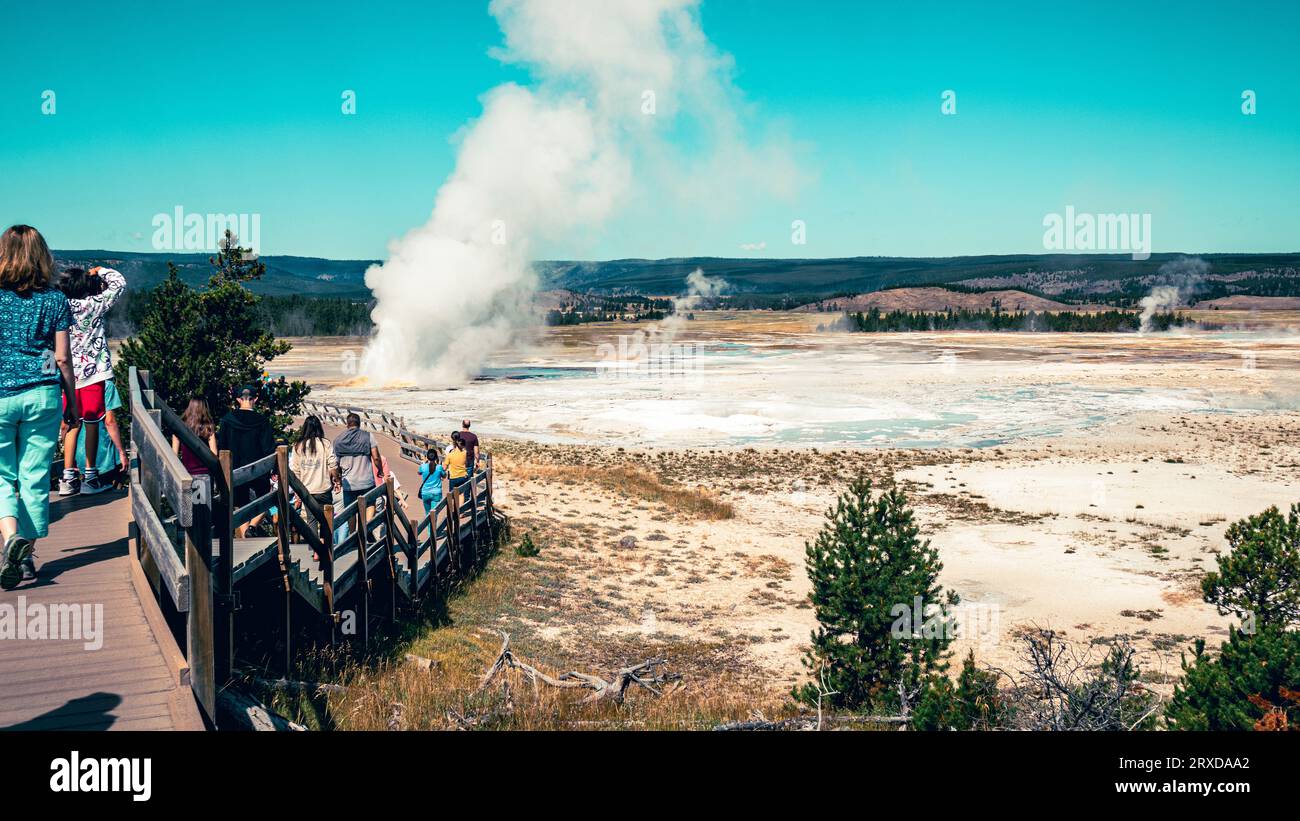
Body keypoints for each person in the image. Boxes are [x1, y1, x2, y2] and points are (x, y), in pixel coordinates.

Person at [0, 225, 80, 589]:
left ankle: (9, 538)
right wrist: (72, 404)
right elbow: (62, 358)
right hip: (43, 395)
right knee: (34, 477)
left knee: (3, 475)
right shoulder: (55, 299)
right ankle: (27, 558)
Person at [56, 264, 126, 495]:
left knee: (72, 422)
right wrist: (100, 270)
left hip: (68, 375)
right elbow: (119, 283)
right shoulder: (94, 305)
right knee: (92, 422)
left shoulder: (58, 305)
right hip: (93, 373)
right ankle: (90, 476)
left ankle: (67, 478)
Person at [217, 384, 276, 538]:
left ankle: (245, 536)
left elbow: (221, 446)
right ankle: (252, 527)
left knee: (238, 505)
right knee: (267, 500)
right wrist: (273, 470)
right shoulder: (262, 421)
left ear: (238, 399)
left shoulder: (227, 421)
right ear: (255, 399)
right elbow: (268, 449)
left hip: (234, 470)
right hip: (258, 470)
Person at [333, 412, 382, 538]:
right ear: (359, 424)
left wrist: (337, 479)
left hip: (348, 482)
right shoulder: (368, 436)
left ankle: (353, 535)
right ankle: (367, 527)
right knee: (370, 504)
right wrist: (380, 470)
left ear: (347, 424)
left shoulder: (338, 440)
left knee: (350, 510)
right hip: (366, 480)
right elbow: (376, 457)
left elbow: (335, 464)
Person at [288, 414, 339, 532]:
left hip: (306, 490)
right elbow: (333, 464)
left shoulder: (297, 446)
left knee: (311, 520)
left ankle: (315, 549)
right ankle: (326, 546)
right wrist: (337, 479)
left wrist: (297, 491)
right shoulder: (325, 443)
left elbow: (295, 470)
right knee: (326, 519)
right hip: (324, 488)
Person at [171, 397, 217, 476]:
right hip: (205, 472)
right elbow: (214, 454)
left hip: (187, 472)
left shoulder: (179, 428)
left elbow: (173, 456)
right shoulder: (208, 428)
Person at [417, 448, 445, 516]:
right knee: (434, 515)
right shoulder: (439, 467)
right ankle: (433, 527)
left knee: (427, 514)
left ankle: (430, 527)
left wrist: (424, 462)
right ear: (436, 457)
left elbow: (419, 472)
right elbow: (444, 475)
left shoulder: (423, 466)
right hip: (436, 493)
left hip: (425, 492)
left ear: (427, 457)